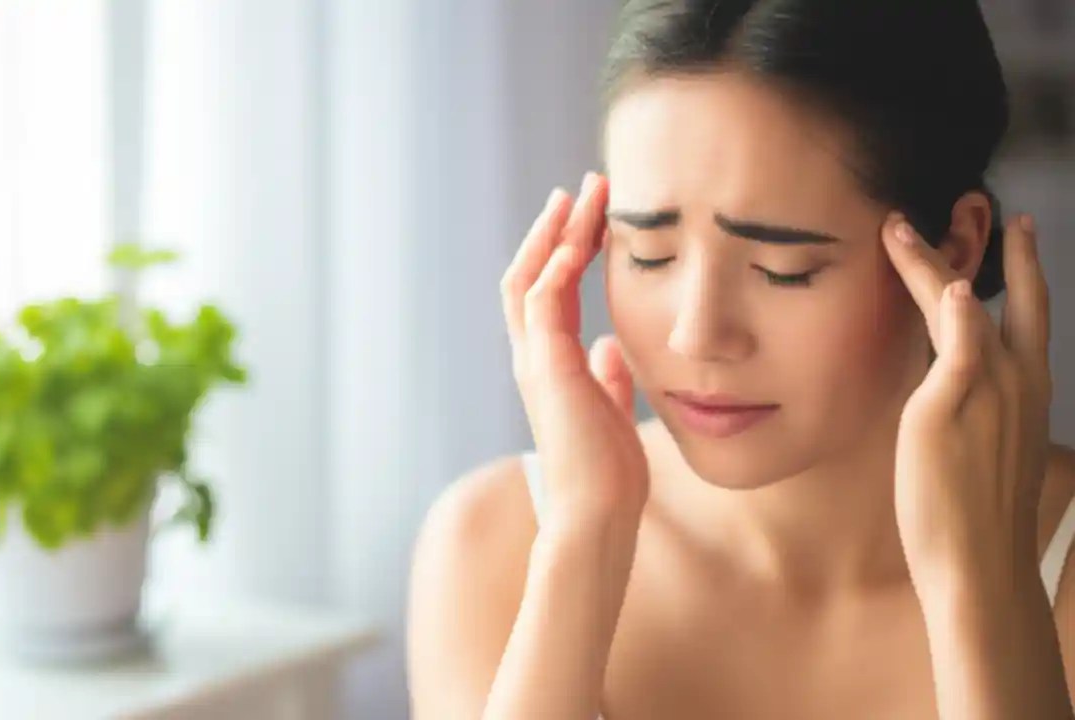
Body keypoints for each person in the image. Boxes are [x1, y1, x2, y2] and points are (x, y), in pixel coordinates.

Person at [406, 1, 1075, 717]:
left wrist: (985, 587)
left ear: (956, 249)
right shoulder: (492, 545)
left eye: (784, 268)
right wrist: (586, 547)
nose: (696, 336)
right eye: (648, 253)